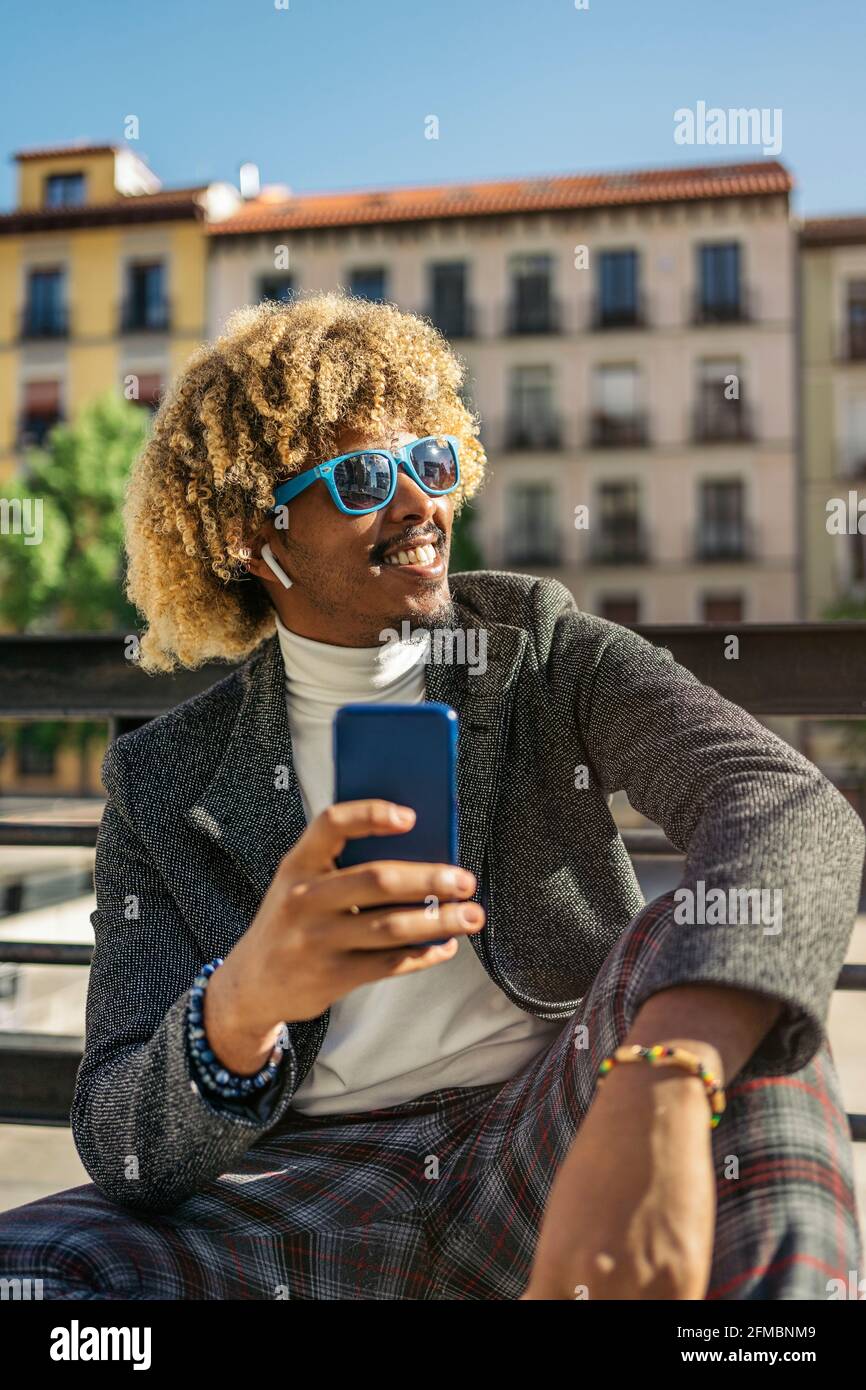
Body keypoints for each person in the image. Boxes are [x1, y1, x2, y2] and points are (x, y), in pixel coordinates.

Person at [0, 292, 862, 1300]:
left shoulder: (538, 645)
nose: (419, 504)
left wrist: (662, 1079)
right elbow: (118, 1132)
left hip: (545, 1138)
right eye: (365, 476)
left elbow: (785, 806)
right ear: (251, 536)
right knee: (33, 1271)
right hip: (302, 1188)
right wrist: (239, 1006)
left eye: (434, 463)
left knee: (715, 970)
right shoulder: (160, 781)